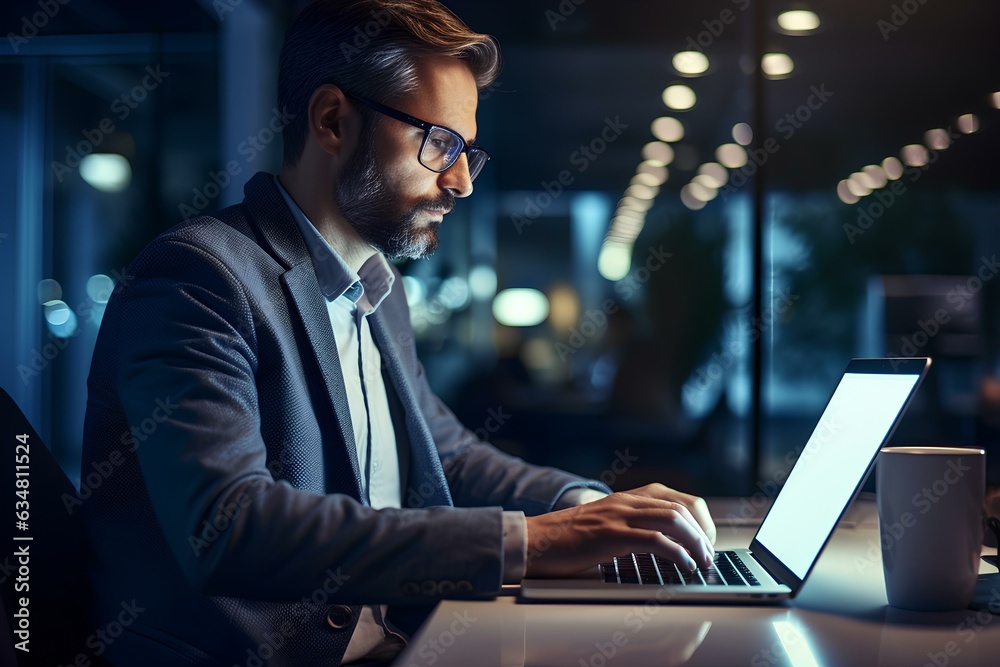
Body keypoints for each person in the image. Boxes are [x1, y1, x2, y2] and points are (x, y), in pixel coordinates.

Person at [80, 1, 717, 664]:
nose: (462, 181)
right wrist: (537, 541)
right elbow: (231, 525)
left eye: (469, 151)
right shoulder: (198, 277)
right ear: (332, 120)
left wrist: (585, 504)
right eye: (441, 143)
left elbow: (446, 454)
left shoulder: (377, 289)